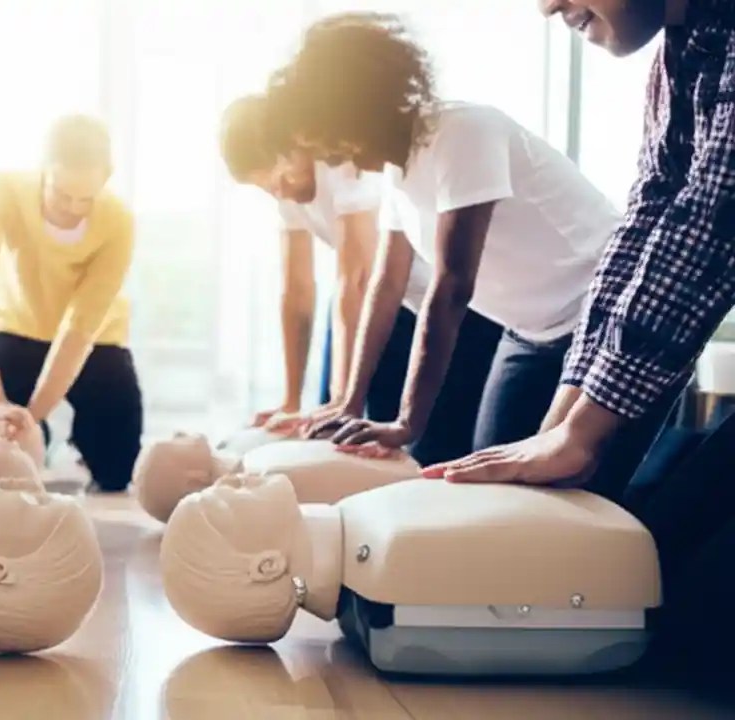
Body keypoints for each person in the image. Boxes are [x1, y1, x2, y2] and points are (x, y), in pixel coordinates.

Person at [422, 0, 734, 685]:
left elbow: (710, 228)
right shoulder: (685, 47)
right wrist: (558, 428)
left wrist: (582, 434)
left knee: (698, 619)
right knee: (659, 569)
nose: (547, 7)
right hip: (562, 342)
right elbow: (648, 216)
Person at [265, 13, 622, 462]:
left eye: (335, 140)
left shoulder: (461, 133)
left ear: (357, 111)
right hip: (531, 334)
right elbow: (386, 285)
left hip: (602, 316)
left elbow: (452, 286)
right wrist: (349, 399)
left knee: (557, 488)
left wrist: (408, 422)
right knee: (487, 472)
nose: (335, 157)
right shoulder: (397, 170)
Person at [218, 94, 501, 465]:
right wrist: (291, 398)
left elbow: (359, 278)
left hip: (441, 310)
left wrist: (344, 398)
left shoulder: (345, 170)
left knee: (414, 448)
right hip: (385, 307)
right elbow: (297, 292)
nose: (280, 191)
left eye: (279, 176)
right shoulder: (288, 194)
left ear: (295, 146)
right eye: (268, 188)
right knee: (327, 432)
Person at [0, 115, 142, 492]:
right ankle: (41, 438)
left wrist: (29, 417)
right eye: (62, 194)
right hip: (17, 328)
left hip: (95, 343)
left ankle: (77, 438)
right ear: (44, 169)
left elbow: (79, 329)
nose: (73, 208)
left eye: (85, 199)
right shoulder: (2, 191)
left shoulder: (119, 221)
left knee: (116, 470)